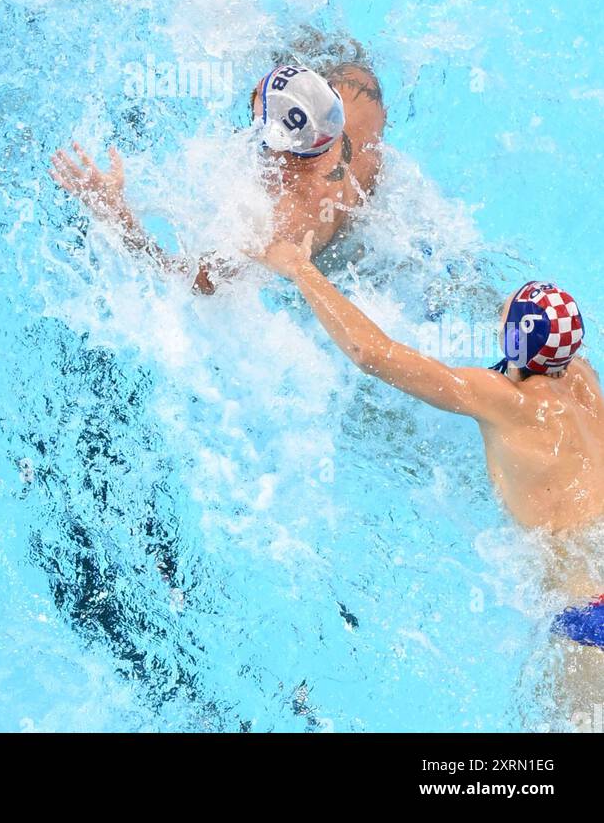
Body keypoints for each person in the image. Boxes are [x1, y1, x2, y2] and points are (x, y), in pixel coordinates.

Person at [256, 244, 604, 717]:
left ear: (515, 340)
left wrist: (299, 268)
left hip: (585, 612)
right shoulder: (581, 377)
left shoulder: (503, 401)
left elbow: (370, 353)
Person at [49, 56, 386, 293]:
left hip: (335, 262)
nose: (255, 90)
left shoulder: (281, 217)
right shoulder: (358, 90)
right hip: (356, 202)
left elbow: (195, 282)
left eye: (258, 105)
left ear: (276, 139)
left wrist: (117, 214)